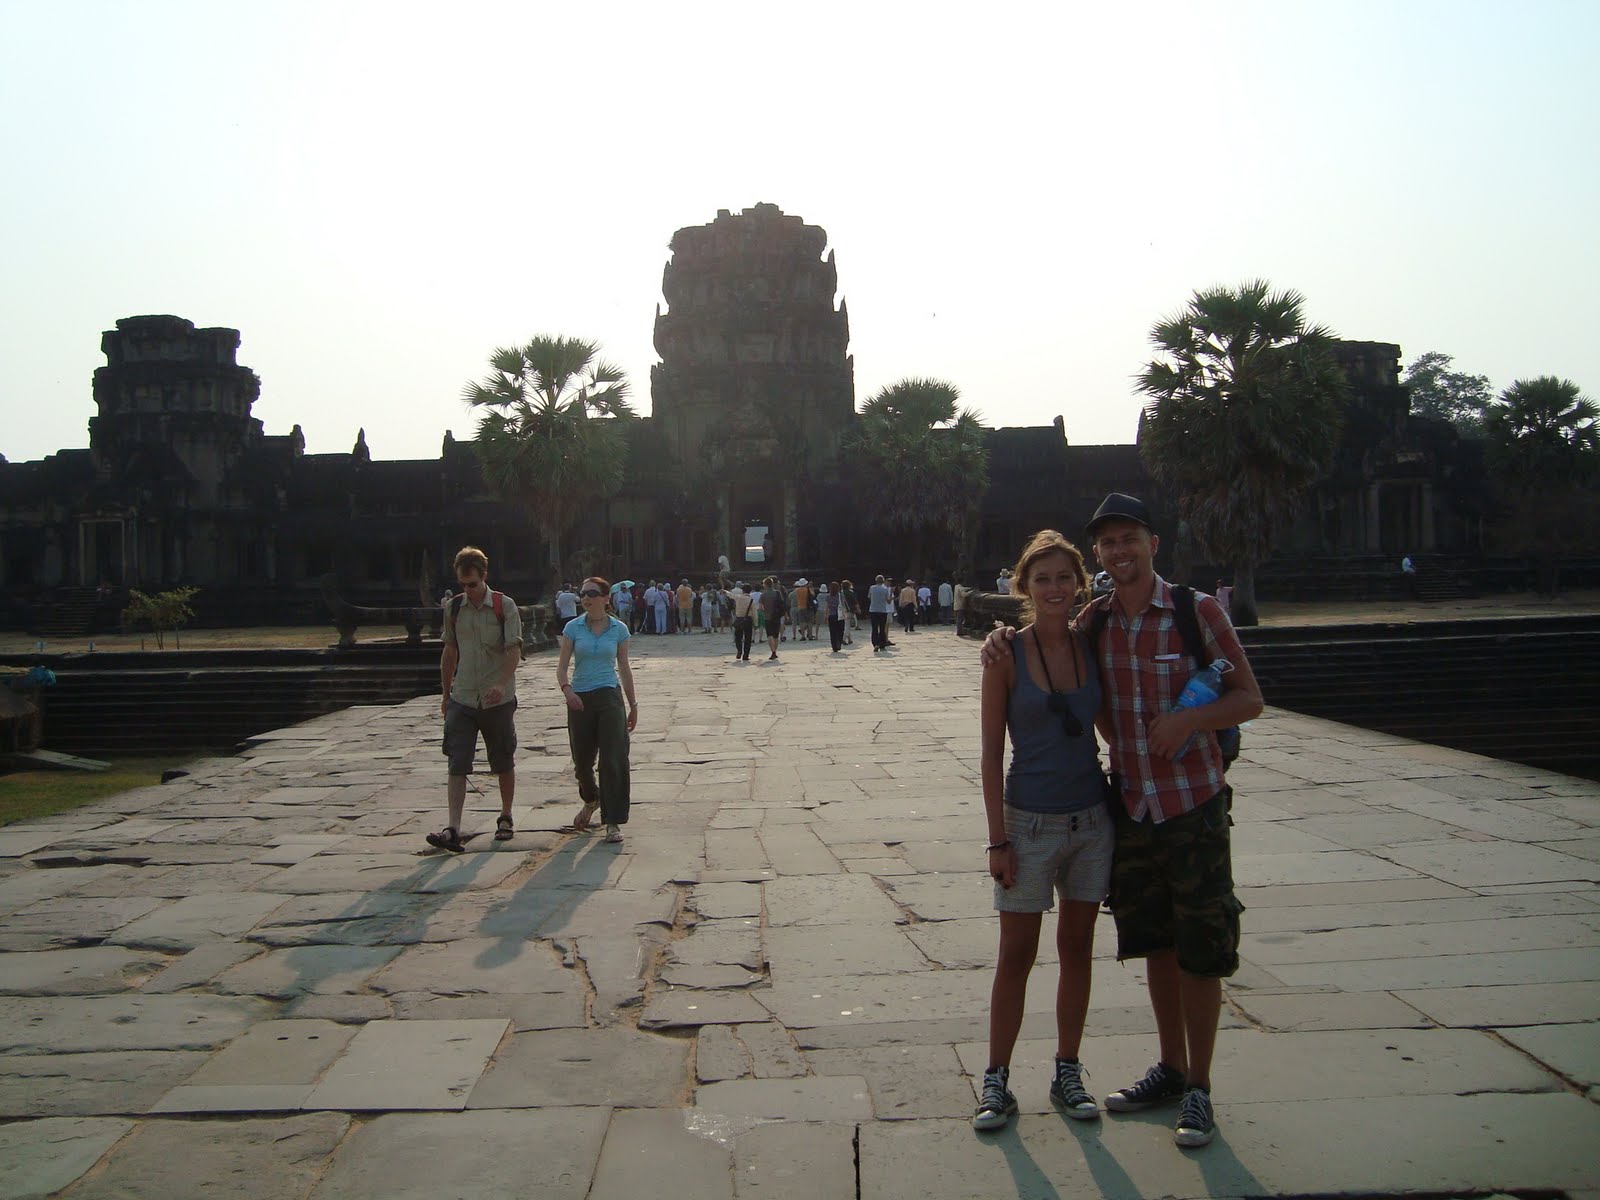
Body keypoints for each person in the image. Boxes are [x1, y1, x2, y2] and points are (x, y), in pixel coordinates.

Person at [981, 493, 1263, 1150]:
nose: (1119, 551)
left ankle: (1196, 1086)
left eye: (1128, 538)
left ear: (1152, 544)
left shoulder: (1195, 611)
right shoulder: (1095, 623)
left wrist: (1189, 721)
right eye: (1108, 542)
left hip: (1185, 806)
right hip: (1127, 808)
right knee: (1155, 943)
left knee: (1199, 949)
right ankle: (1167, 1068)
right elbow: (1061, 711)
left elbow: (1250, 696)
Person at [972, 530, 1110, 1132]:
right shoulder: (1005, 654)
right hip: (1027, 822)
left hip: (1092, 820)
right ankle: (996, 1079)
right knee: (1016, 955)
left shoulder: (1093, 642)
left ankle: (1067, 1069)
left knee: (1077, 949)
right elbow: (989, 753)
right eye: (1042, 579)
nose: (1054, 589)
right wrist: (997, 839)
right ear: (1023, 586)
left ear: (1079, 583)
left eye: (1063, 578)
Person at [431, 546, 522, 852]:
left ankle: (506, 815)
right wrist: (446, 694)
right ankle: (453, 827)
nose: (467, 590)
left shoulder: (503, 605)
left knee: (503, 758)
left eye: (472, 584)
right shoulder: (454, 608)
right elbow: (450, 651)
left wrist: (501, 683)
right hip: (463, 695)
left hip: (497, 697)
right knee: (457, 761)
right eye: (462, 584)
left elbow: (513, 650)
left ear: (484, 576)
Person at [556, 576, 638, 845]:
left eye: (592, 593)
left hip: (609, 695)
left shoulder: (618, 629)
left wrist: (633, 705)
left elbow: (624, 668)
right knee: (582, 762)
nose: (586, 598)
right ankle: (592, 798)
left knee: (613, 758)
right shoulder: (573, 628)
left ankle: (612, 820)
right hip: (579, 697)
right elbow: (562, 667)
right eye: (583, 594)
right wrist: (567, 691)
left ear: (605, 598)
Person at [726, 582, 757, 661]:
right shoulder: (751, 600)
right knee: (748, 638)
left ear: (742, 591)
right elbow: (754, 613)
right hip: (748, 619)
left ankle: (739, 650)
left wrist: (725, 591)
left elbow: (731, 595)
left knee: (738, 637)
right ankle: (746, 655)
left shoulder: (738, 597)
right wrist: (755, 623)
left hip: (739, 619)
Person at [760, 575, 786, 661]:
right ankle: (775, 651)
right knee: (775, 635)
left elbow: (760, 607)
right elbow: (782, 603)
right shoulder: (777, 593)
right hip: (776, 616)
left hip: (767, 617)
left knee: (769, 635)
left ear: (765, 585)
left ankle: (773, 651)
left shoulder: (763, 595)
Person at [867, 575, 894, 651]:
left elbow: (869, 597)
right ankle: (882, 644)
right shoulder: (885, 589)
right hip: (882, 611)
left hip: (873, 610)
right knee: (882, 628)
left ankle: (875, 643)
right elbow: (888, 601)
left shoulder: (872, 588)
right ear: (883, 581)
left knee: (874, 628)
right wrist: (891, 593)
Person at [822, 582, 846, 652]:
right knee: (840, 631)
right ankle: (839, 642)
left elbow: (827, 607)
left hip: (831, 615)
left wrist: (825, 616)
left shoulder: (828, 596)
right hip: (840, 615)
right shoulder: (841, 595)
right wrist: (845, 614)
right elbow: (844, 605)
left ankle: (834, 646)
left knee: (832, 632)